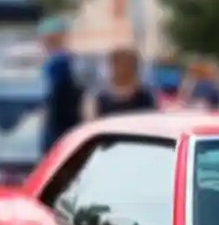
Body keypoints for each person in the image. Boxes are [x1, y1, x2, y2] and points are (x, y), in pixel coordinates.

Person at [38, 16, 82, 152]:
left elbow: (54, 99)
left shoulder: (59, 63)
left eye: (49, 39)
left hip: (60, 130)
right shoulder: (60, 62)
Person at [83, 46, 156, 120]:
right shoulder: (98, 98)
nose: (123, 69)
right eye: (119, 63)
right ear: (112, 66)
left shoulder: (146, 97)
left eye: (128, 64)